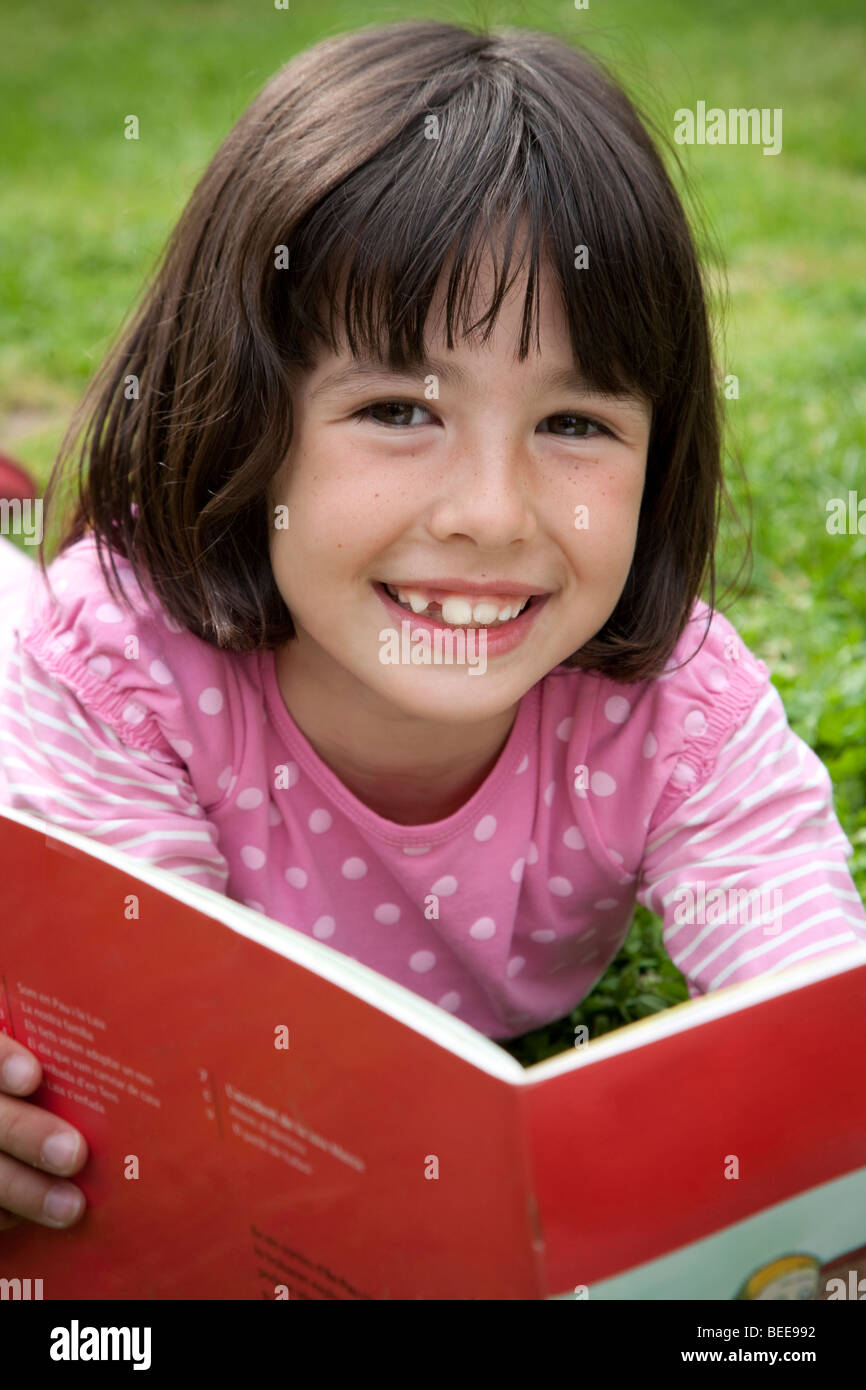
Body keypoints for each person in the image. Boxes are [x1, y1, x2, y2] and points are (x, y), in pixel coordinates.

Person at [1, 19, 863, 1237]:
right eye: (399, 408)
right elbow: (157, 1091)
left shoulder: (676, 715)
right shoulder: (121, 672)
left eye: (573, 424)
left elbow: (811, 1004)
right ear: (244, 416)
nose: (489, 515)